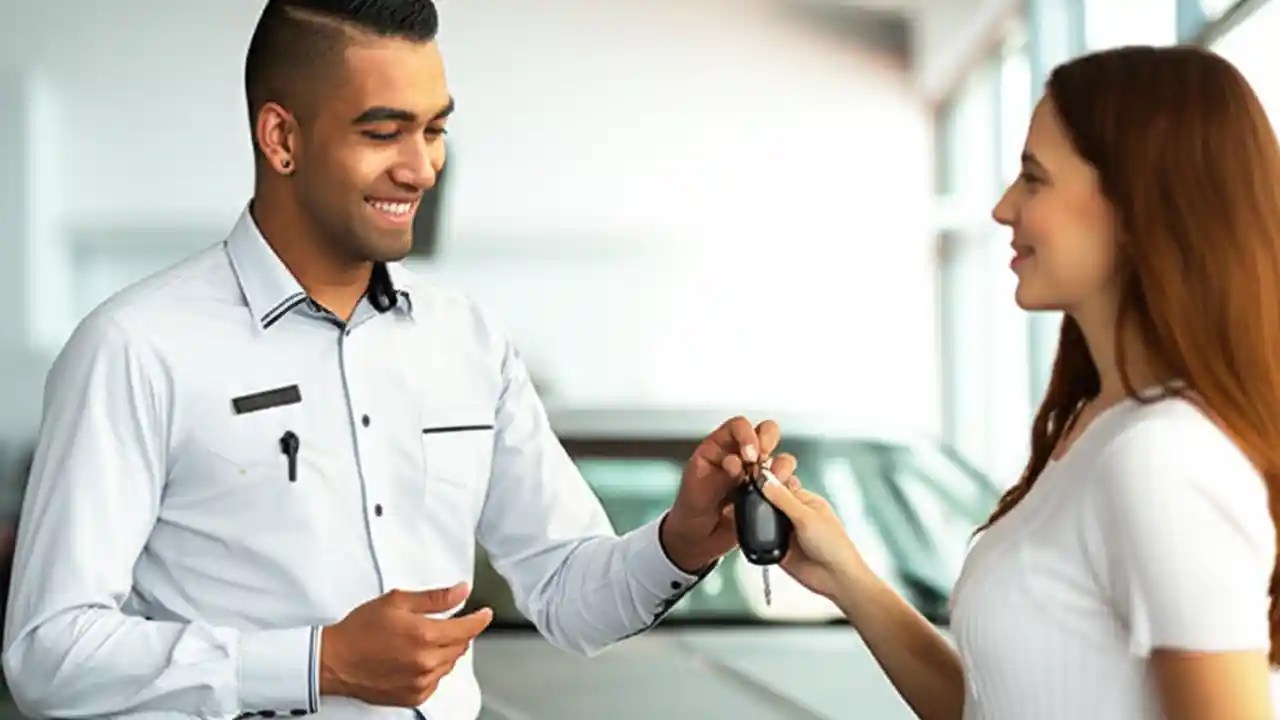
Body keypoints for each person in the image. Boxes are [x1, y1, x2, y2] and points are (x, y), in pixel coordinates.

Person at [0, 1, 800, 718]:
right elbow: (49, 653)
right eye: (383, 132)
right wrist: (316, 664)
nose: (421, 168)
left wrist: (684, 540)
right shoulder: (134, 348)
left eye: (434, 128)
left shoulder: (470, 341)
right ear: (281, 137)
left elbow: (565, 595)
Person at [761, 44, 1280, 719]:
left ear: (1135, 204)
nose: (1004, 209)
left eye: (1033, 178)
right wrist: (848, 578)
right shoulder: (1095, 429)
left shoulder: (1165, 458)